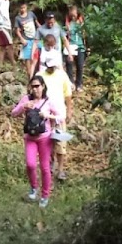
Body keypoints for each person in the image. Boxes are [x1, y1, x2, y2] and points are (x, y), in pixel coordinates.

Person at [11, 74, 63, 208]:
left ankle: (45, 195)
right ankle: (33, 188)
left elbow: (61, 116)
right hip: (30, 137)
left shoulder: (48, 101)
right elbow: (13, 113)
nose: (35, 89)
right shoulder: (26, 99)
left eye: (37, 86)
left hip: (44, 137)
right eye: (32, 86)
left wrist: (48, 115)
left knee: (45, 168)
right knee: (31, 164)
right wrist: (23, 107)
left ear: (43, 86)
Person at [38, 50, 74, 181]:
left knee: (60, 142)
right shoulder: (40, 75)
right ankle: (49, 165)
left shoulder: (62, 75)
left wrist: (69, 110)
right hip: (44, 115)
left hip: (59, 114)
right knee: (47, 142)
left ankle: (60, 169)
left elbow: (68, 94)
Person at [65, 5, 87, 90]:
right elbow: (66, 35)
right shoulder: (68, 23)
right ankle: (71, 83)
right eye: (71, 14)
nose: (73, 15)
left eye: (74, 13)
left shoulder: (81, 22)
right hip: (71, 45)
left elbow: (85, 35)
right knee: (69, 64)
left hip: (80, 46)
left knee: (80, 65)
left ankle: (79, 83)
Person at [13, 2, 38, 77]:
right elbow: (17, 30)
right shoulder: (18, 18)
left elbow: (37, 23)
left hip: (35, 39)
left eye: (24, 7)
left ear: (26, 7)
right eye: (21, 8)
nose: (23, 9)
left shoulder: (31, 14)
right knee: (27, 58)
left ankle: (36, 75)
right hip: (26, 40)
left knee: (37, 56)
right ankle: (29, 76)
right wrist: (22, 39)